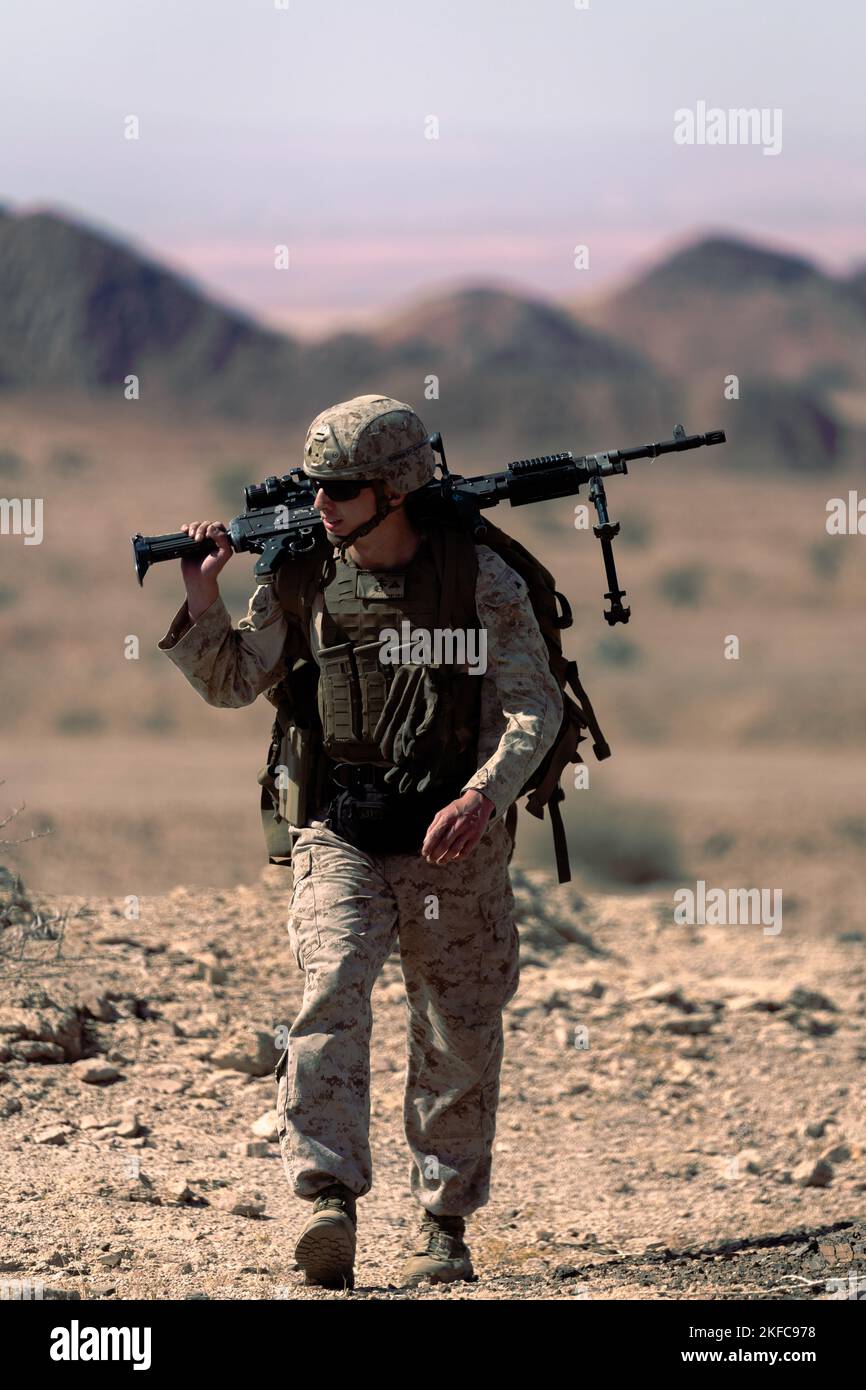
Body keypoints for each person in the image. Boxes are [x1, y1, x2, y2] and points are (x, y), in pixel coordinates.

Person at [158, 394, 562, 1290]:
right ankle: (328, 1201)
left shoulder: (481, 578)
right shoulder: (302, 575)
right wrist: (202, 598)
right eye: (316, 486)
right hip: (340, 825)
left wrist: (485, 797)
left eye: (341, 487)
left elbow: (537, 708)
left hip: (451, 837)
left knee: (457, 1027)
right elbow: (233, 682)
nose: (323, 504)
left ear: (396, 489)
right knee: (332, 986)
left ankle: (443, 1225)